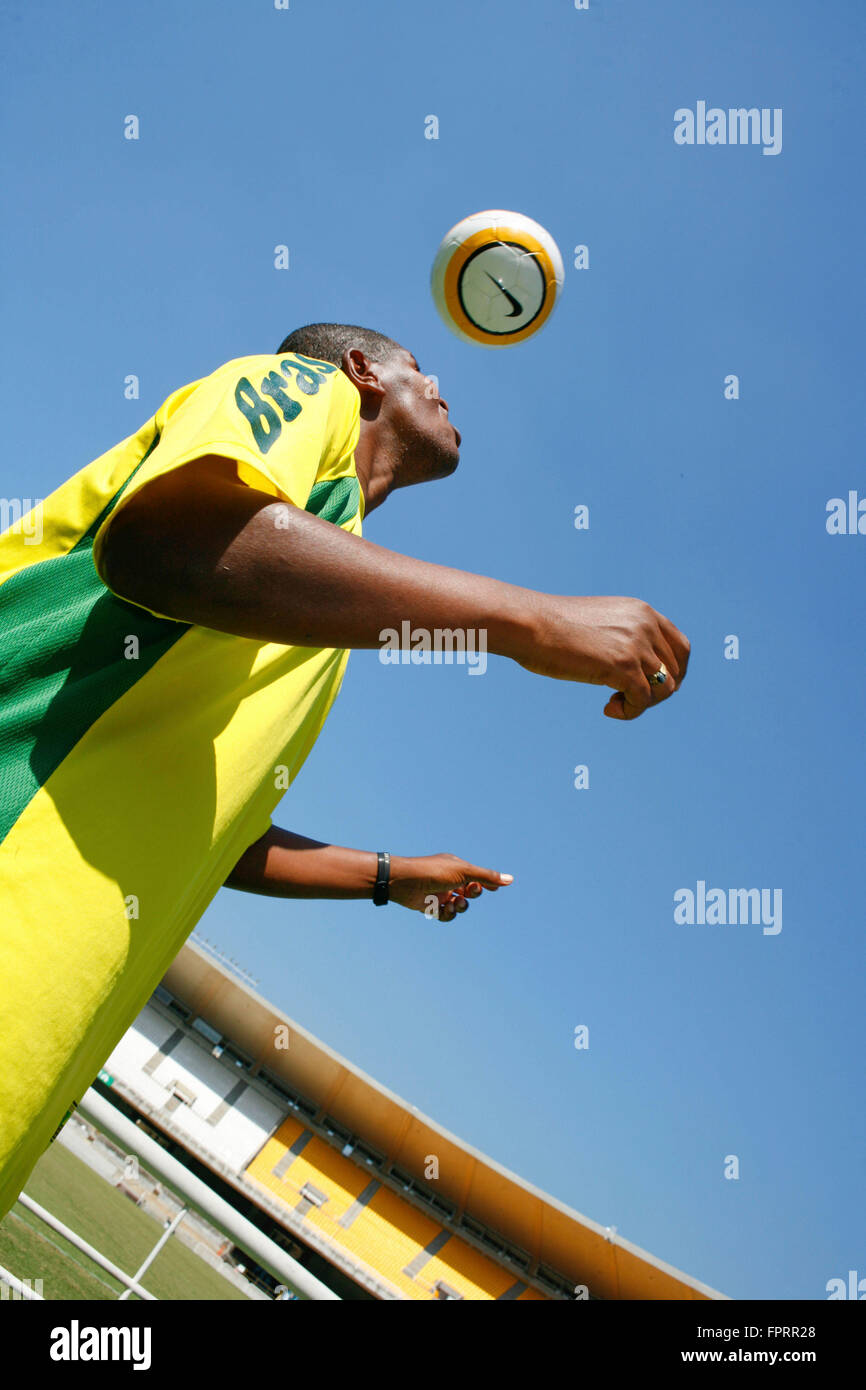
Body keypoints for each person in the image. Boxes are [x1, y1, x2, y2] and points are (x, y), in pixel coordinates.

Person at [0, 323, 689, 1220]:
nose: (441, 387)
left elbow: (212, 835)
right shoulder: (303, 389)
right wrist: (530, 620)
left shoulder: (310, 600)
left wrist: (389, 877)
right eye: (420, 370)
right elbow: (168, 538)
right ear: (363, 372)